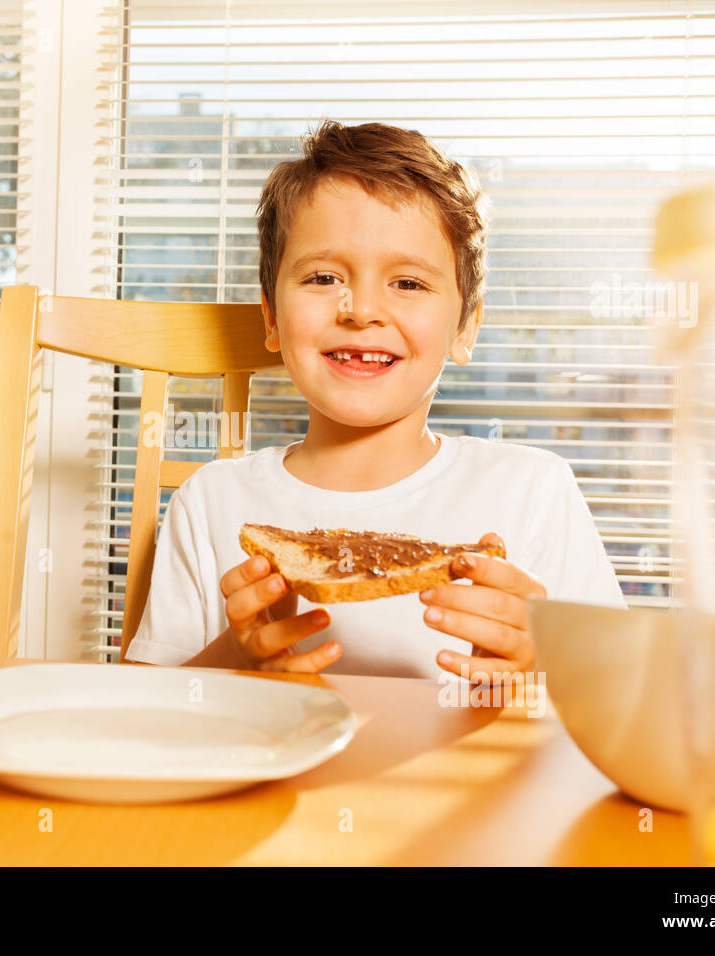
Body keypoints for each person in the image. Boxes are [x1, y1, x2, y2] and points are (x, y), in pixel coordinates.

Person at [124, 120, 625, 680]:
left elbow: (619, 698)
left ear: (465, 328)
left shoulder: (534, 491)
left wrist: (537, 667)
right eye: (322, 277)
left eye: (408, 283)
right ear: (271, 316)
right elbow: (149, 705)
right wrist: (237, 658)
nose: (361, 309)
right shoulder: (211, 502)